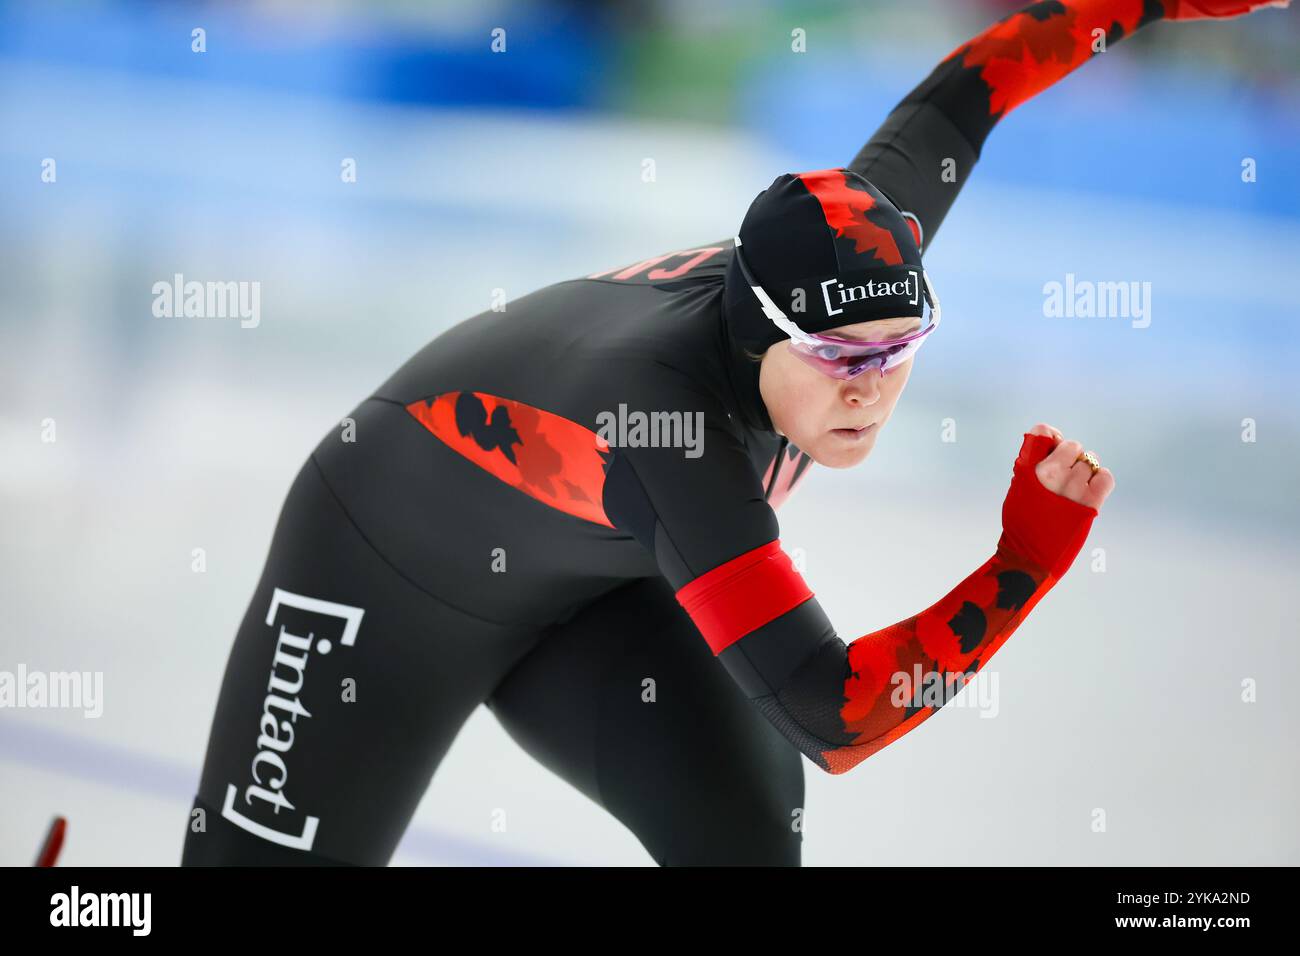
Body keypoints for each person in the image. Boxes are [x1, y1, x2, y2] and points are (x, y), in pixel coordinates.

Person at [180, 0, 1285, 867]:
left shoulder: (858, 243)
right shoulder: (665, 424)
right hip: (382, 572)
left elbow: (978, 81)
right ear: (762, 337)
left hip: (601, 578)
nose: (872, 389)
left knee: (747, 841)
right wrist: (1024, 560)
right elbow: (835, 712)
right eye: (845, 360)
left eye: (900, 350)